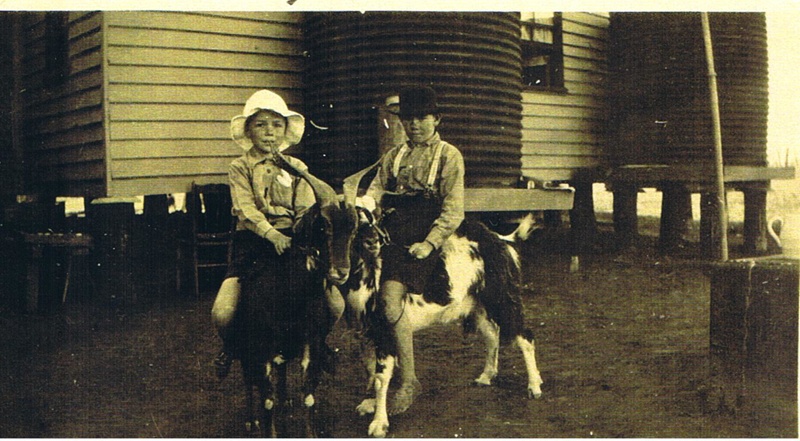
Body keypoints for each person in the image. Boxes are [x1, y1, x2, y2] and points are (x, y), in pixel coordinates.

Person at [365, 85, 465, 413]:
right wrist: (365, 207)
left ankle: (409, 380)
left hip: (423, 234)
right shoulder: (394, 156)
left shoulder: (449, 156)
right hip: (391, 231)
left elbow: (453, 210)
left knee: (389, 296)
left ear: (437, 119)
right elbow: (376, 190)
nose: (414, 125)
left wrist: (430, 243)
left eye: (422, 118)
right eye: (408, 119)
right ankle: (377, 377)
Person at [210, 89, 319, 379]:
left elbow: (306, 207)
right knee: (222, 311)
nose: (269, 132)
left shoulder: (297, 167)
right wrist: (272, 235)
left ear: (285, 130)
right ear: (248, 130)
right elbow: (245, 209)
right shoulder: (240, 167)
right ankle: (231, 345)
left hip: (292, 241)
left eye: (277, 125)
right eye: (261, 124)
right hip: (252, 243)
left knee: (332, 301)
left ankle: (318, 345)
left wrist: (299, 233)